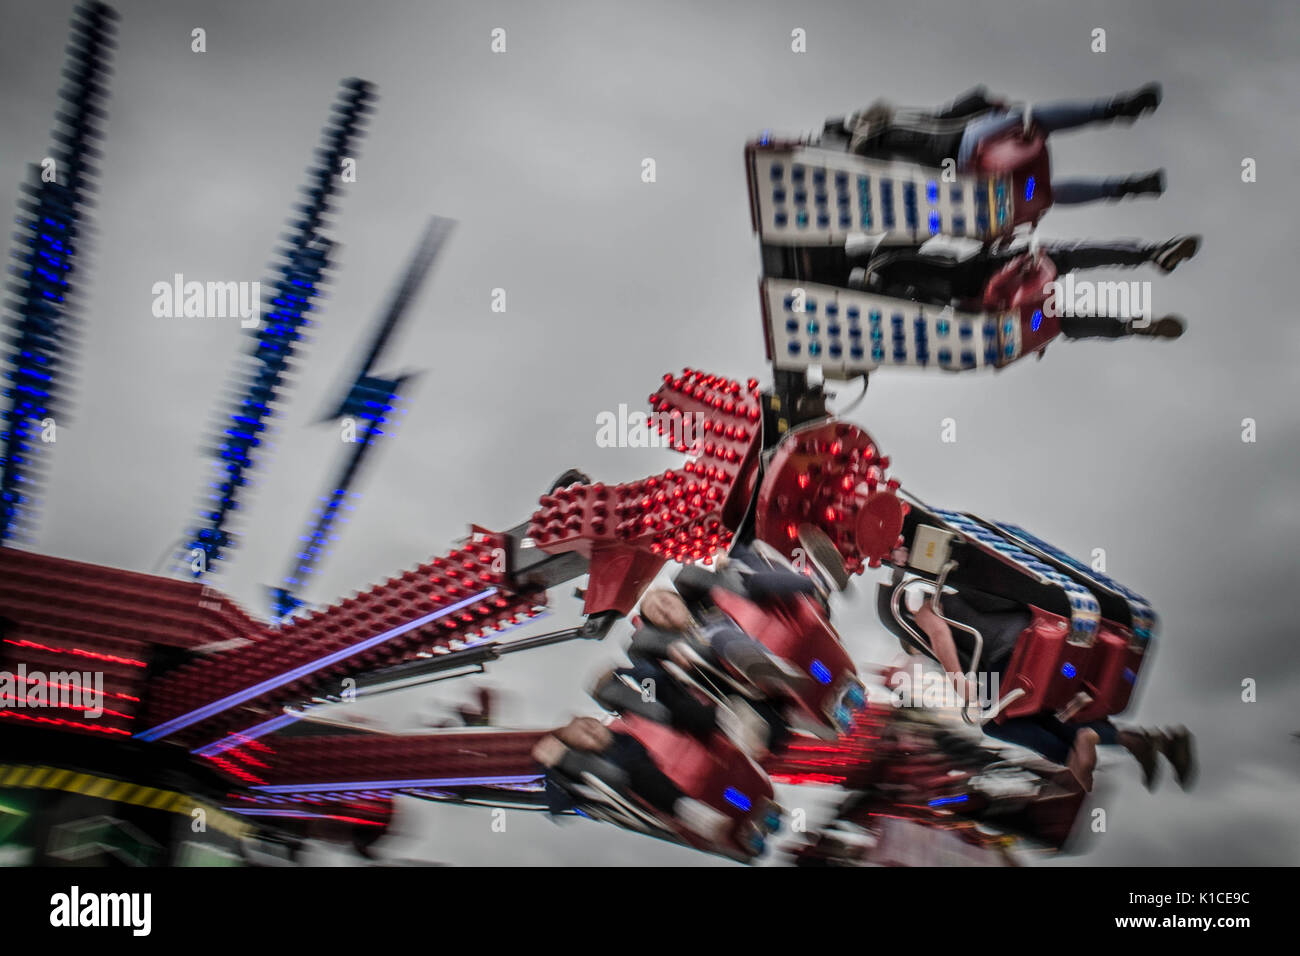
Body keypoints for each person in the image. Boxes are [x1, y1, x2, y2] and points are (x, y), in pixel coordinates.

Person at [885, 582, 1195, 792]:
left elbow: (938, 635)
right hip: (1036, 644)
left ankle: (1072, 755)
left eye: (914, 647)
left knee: (994, 723)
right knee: (1040, 714)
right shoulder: (966, 595)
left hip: (1013, 649)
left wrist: (959, 683)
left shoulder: (925, 606)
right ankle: (1147, 742)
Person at [823, 83, 1166, 206]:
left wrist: (980, 101)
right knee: (1031, 121)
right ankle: (1115, 112)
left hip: (966, 165)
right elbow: (944, 116)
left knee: (1041, 193)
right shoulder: (874, 148)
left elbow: (945, 114)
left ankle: (1127, 184)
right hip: (966, 152)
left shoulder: (892, 127)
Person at [852, 233, 1200, 340]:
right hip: (983, 279)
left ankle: (1132, 326)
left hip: (980, 306)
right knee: (1063, 259)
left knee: (1055, 320)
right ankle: (1150, 255)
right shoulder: (889, 260)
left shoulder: (889, 271)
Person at [532, 715, 735, 842]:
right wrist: (555, 767)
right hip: (631, 797)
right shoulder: (568, 769)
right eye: (584, 733)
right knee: (637, 773)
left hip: (671, 775)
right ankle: (694, 815)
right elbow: (557, 807)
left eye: (590, 725)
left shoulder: (623, 739)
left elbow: (644, 753)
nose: (592, 731)